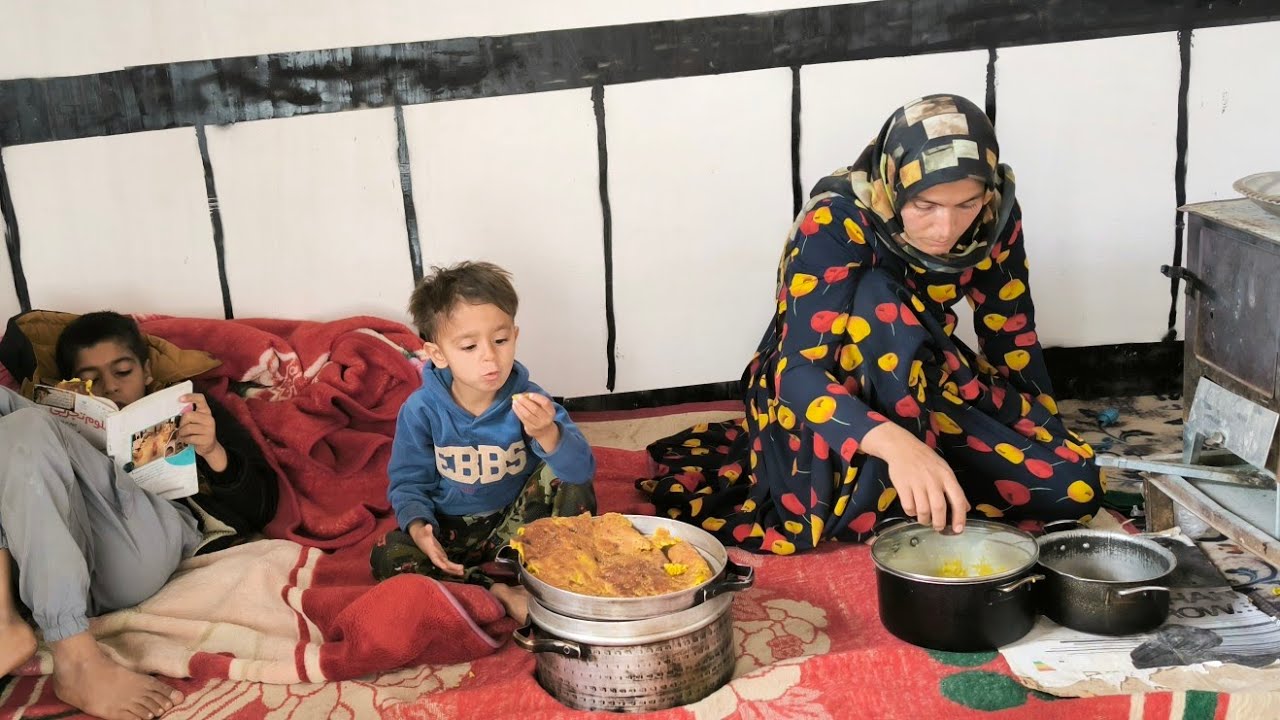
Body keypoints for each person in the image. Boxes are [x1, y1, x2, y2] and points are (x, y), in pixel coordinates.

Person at [639, 94, 1103, 555]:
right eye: (925, 206)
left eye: (966, 204)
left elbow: (1011, 333)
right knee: (876, 294)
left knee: (1074, 488)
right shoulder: (837, 219)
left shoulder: (996, 214)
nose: (947, 228)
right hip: (827, 389)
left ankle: (913, 483)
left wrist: (1044, 430)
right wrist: (901, 447)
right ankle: (898, 475)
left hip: (925, 373)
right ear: (895, 185)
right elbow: (797, 375)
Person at [0, 311, 278, 720]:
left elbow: (263, 506)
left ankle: (74, 656)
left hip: (138, 547)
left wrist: (214, 453)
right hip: (55, 555)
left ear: (147, 369)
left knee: (19, 420)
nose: (110, 385)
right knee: (14, 424)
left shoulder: (188, 406)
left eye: (123, 370)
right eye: (90, 379)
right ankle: (5, 619)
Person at [370, 261, 596, 623]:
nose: (490, 356)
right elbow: (409, 481)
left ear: (515, 336)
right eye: (470, 346)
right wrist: (418, 526)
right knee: (386, 555)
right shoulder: (421, 411)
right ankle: (494, 590)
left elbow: (580, 470)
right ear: (438, 354)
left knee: (567, 477)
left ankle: (549, 581)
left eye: (501, 340)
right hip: (452, 531)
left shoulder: (529, 400)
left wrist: (547, 434)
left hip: (520, 526)